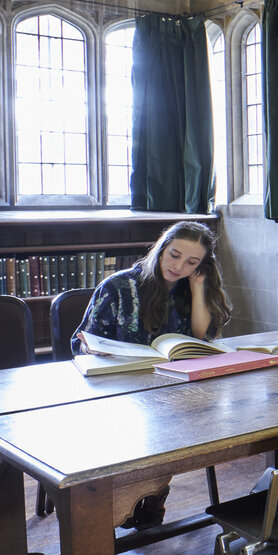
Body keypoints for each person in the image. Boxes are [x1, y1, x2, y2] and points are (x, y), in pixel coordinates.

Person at [70, 219, 233, 531]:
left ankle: (146, 497)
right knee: (152, 427)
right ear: (161, 248)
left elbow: (203, 336)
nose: (179, 266)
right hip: (118, 390)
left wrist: (199, 288)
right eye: (174, 255)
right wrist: (96, 350)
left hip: (173, 392)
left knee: (177, 421)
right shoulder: (118, 287)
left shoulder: (192, 287)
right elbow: (81, 343)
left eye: (191, 262)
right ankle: (139, 500)